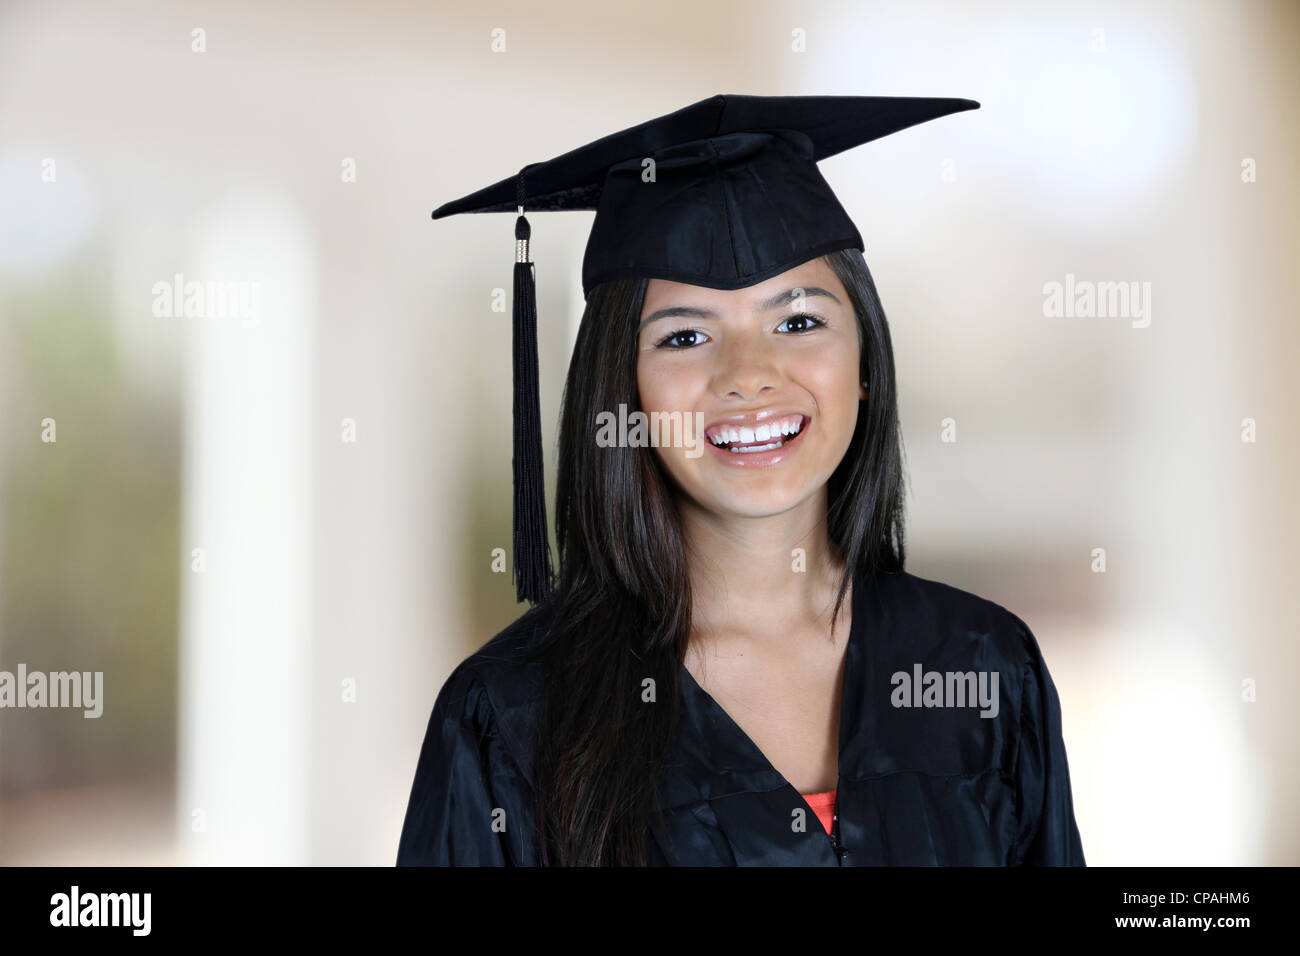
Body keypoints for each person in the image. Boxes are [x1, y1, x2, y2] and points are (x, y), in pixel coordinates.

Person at [396, 94, 1086, 866]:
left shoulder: (981, 668)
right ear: (622, 390)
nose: (748, 377)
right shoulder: (513, 719)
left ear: (864, 365)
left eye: (798, 322)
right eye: (686, 336)